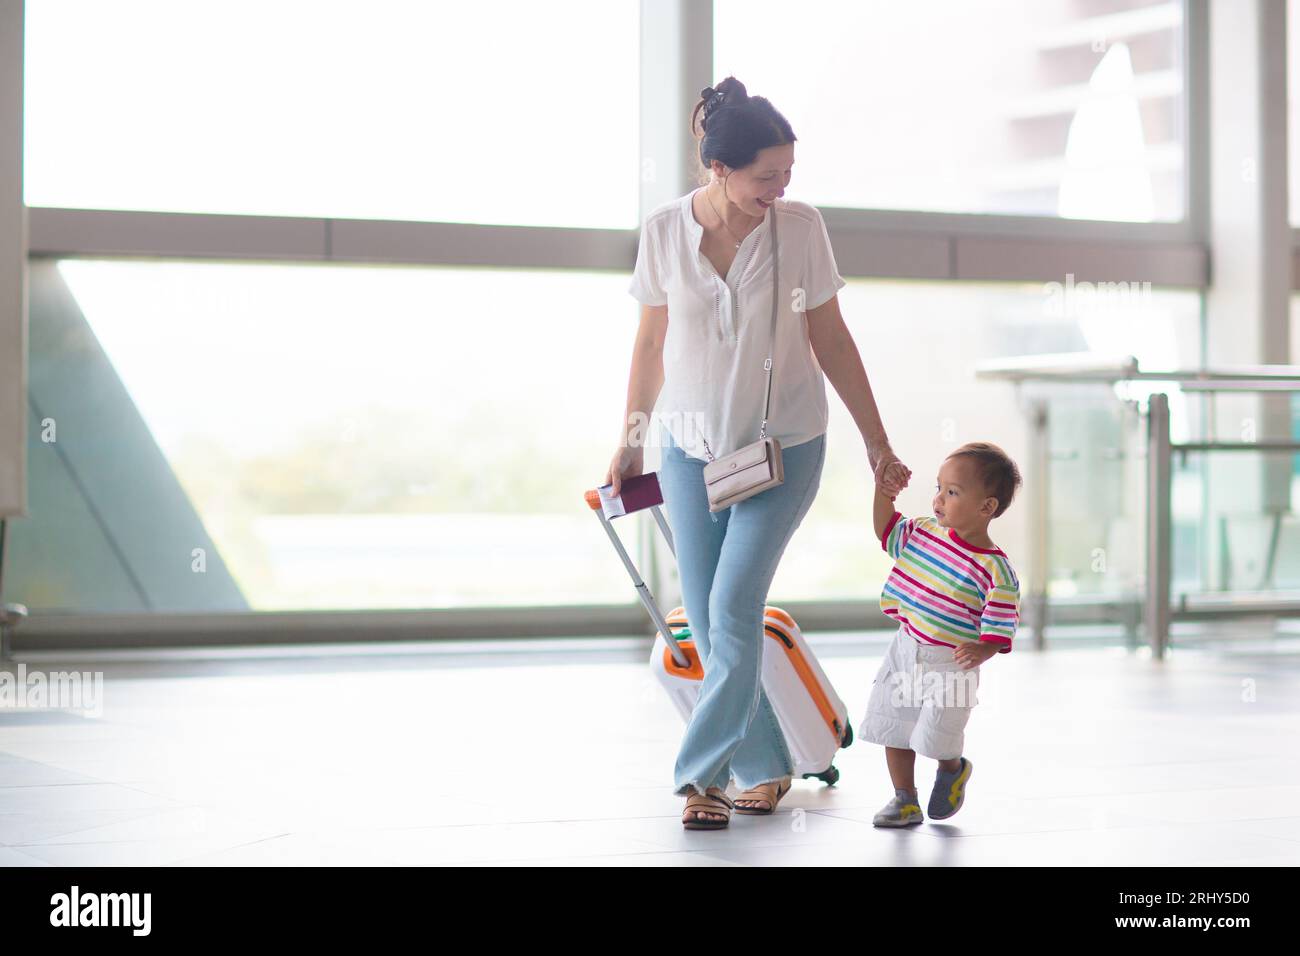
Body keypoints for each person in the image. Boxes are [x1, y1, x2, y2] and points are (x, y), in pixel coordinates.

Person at [603, 75, 911, 830]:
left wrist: (878, 443)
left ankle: (698, 779)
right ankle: (765, 764)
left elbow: (830, 337)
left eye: (788, 173)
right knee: (708, 625)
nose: (779, 187)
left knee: (734, 610)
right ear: (718, 169)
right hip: (688, 448)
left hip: (784, 447)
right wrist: (632, 441)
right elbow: (650, 343)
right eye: (764, 175)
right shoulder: (663, 233)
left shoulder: (799, 229)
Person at [861, 441, 1023, 826]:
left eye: (952, 492)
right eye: (938, 487)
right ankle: (905, 799)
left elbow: (1001, 624)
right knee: (894, 722)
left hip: (953, 663)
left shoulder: (995, 570)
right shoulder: (923, 533)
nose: (938, 499)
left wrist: (983, 649)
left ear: (987, 508)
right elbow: (885, 528)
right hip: (907, 647)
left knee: (938, 733)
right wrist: (883, 491)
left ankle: (951, 767)